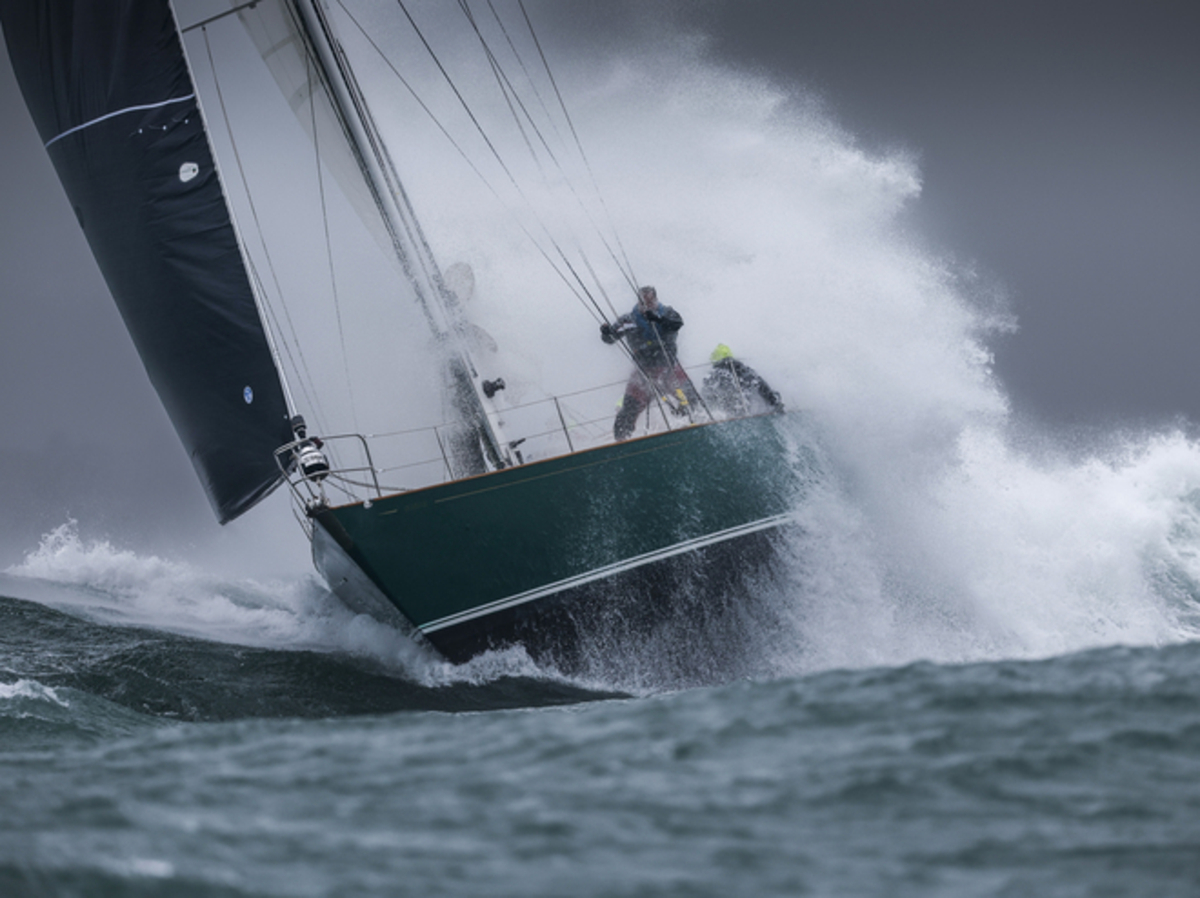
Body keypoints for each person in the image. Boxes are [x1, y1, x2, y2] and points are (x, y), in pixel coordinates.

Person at [600, 286, 698, 440]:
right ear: (638, 302)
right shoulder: (628, 320)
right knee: (627, 412)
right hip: (643, 374)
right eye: (644, 303)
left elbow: (677, 324)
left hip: (669, 370)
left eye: (650, 302)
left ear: (656, 300)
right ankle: (622, 442)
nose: (647, 306)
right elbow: (610, 338)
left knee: (691, 398)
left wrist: (658, 319)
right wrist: (606, 334)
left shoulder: (667, 313)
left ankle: (693, 427)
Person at [702, 344, 784, 417]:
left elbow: (707, 393)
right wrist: (774, 402)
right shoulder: (741, 368)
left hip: (730, 408)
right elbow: (760, 384)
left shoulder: (714, 373)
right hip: (743, 404)